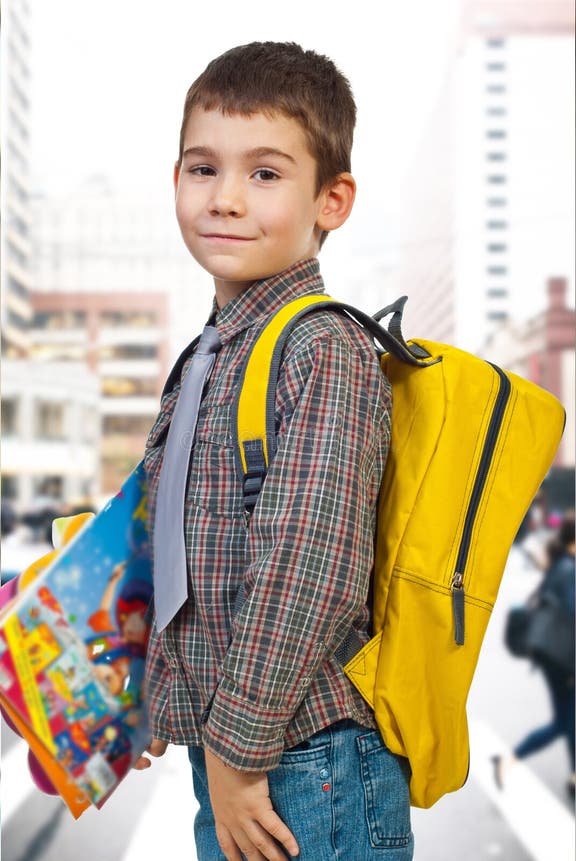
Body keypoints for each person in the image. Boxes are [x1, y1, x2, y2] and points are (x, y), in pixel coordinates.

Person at [133, 42, 413, 861]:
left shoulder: (319, 347)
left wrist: (236, 752)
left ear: (332, 199)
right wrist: (158, 695)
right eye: (200, 168)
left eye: (264, 173)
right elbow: (190, 546)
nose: (223, 199)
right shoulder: (209, 354)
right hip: (239, 754)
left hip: (304, 762)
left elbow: (310, 565)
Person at [493, 513, 575, 798]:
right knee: (565, 721)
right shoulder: (568, 570)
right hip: (563, 659)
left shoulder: (562, 565)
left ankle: (574, 775)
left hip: (554, 656)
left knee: (568, 719)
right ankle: (511, 757)